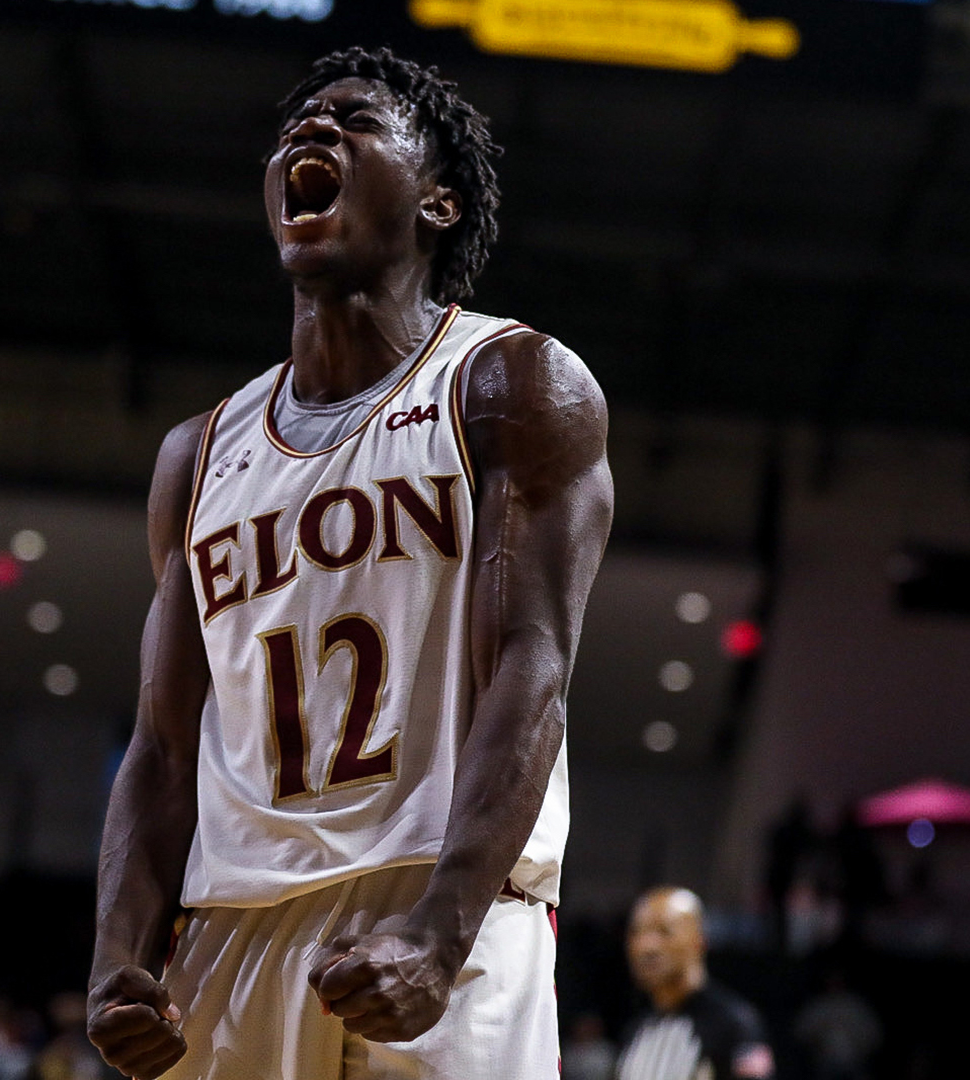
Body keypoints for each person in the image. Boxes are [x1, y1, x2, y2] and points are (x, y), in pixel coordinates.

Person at [86, 45, 613, 1080]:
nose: (309, 133)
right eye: (296, 127)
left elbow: (534, 664)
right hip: (231, 929)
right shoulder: (200, 453)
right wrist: (118, 954)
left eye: (355, 120)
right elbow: (162, 738)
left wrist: (443, 927)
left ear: (440, 204)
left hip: (437, 908)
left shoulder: (510, 382)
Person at [616, 888, 774, 1080]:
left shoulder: (733, 1025)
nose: (647, 946)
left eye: (665, 931)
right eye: (637, 932)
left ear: (699, 941)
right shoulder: (637, 1031)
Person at [791, 970, 881, 1080]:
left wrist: (860, 1044)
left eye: (838, 980)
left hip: (855, 1063)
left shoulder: (857, 1006)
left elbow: (874, 1034)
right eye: (831, 980)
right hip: (825, 1064)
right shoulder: (818, 1007)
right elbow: (800, 1032)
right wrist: (817, 1037)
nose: (835, 983)